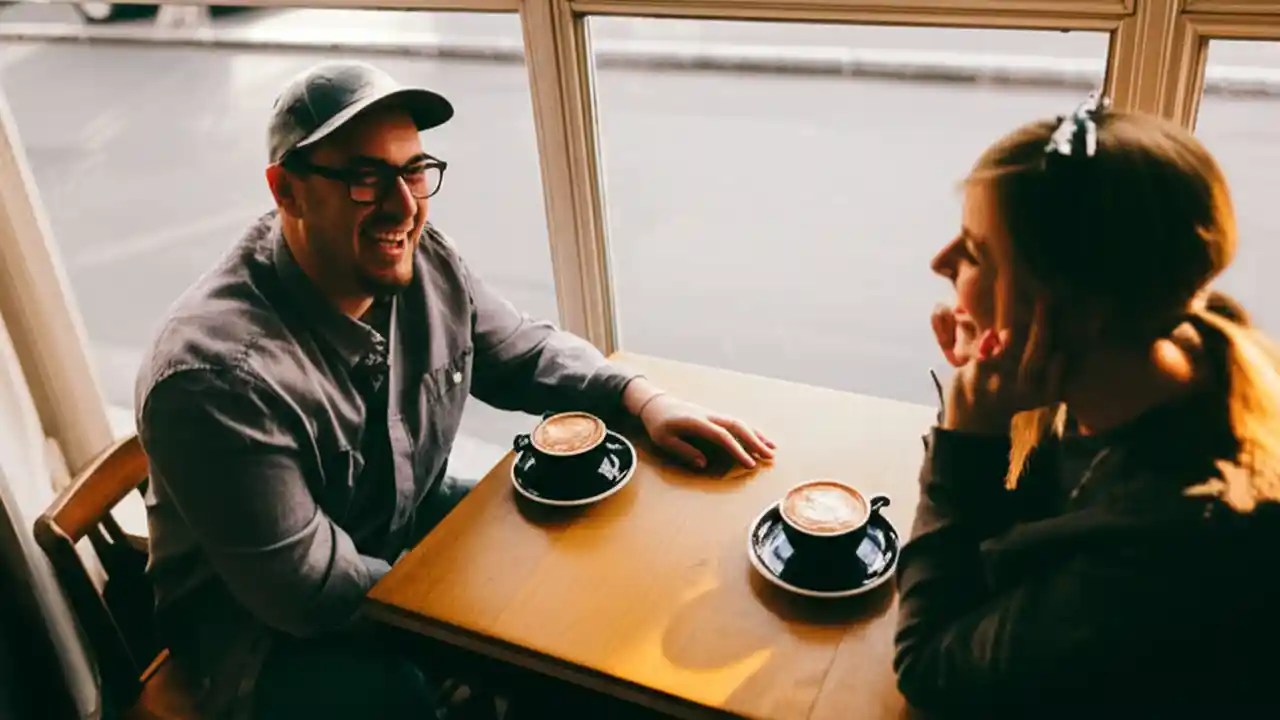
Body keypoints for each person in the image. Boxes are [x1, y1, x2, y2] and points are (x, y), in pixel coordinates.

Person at [134, 61, 774, 719]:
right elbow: (311, 594)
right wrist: (489, 635)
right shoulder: (215, 383)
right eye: (365, 177)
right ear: (287, 191)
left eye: (414, 170)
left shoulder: (418, 256)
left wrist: (645, 400)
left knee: (582, 562)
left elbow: (523, 351)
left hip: (392, 531)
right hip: (261, 643)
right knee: (418, 694)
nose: (405, 205)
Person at [895, 95, 1280, 717]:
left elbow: (931, 669)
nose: (940, 263)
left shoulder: (1167, 558)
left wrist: (969, 438)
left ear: (1076, 312)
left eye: (975, 251)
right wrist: (1012, 408)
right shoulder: (1185, 355)